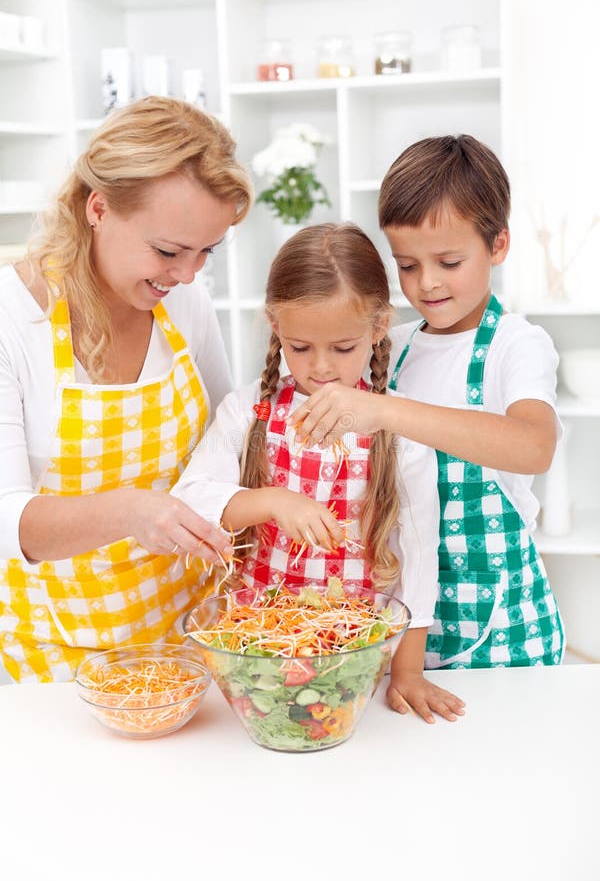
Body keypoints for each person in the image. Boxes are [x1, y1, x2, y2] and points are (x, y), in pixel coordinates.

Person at [286, 135, 565, 689]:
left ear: (499, 244)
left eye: (450, 261)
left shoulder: (516, 344)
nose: (427, 282)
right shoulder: (398, 344)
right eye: (407, 264)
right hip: (407, 618)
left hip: (503, 626)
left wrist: (386, 408)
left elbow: (534, 446)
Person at [0, 96, 253, 683]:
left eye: (204, 253)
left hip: (192, 638)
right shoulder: (12, 318)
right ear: (98, 207)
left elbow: (225, 447)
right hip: (56, 661)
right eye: (168, 250)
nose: (187, 274)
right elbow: (7, 519)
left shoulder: (183, 300)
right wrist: (132, 511)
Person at [173, 222, 466, 723]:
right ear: (274, 326)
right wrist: (273, 502)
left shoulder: (398, 428)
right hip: (258, 647)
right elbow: (190, 498)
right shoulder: (249, 411)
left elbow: (420, 553)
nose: (322, 367)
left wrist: (408, 672)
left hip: (352, 652)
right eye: (301, 347)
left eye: (343, 347)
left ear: (377, 328)